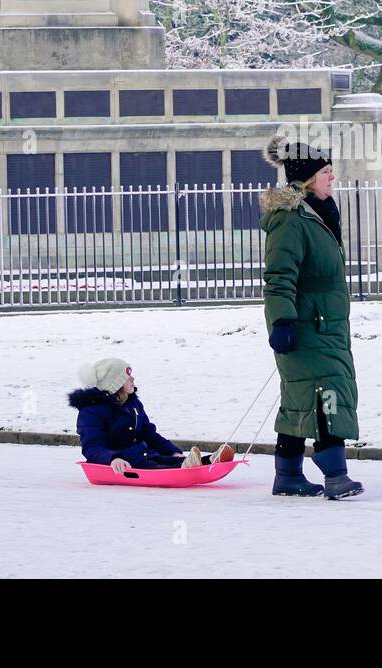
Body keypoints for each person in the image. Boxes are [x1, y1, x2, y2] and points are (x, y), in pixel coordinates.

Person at [259, 133, 363, 500]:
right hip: (306, 328)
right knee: (326, 393)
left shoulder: (317, 214)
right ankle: (336, 473)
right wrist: (283, 321)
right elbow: (279, 276)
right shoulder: (291, 220)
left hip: (324, 326)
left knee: (299, 397)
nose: (333, 178)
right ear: (307, 178)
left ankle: (287, 475)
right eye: (327, 172)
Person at [69, 357, 234, 472]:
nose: (133, 379)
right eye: (127, 377)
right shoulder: (91, 412)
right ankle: (189, 466)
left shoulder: (133, 405)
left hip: (142, 454)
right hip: (123, 463)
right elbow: (92, 447)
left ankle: (210, 460)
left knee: (169, 460)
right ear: (116, 384)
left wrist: (171, 451)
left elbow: (149, 434)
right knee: (159, 468)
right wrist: (113, 458)